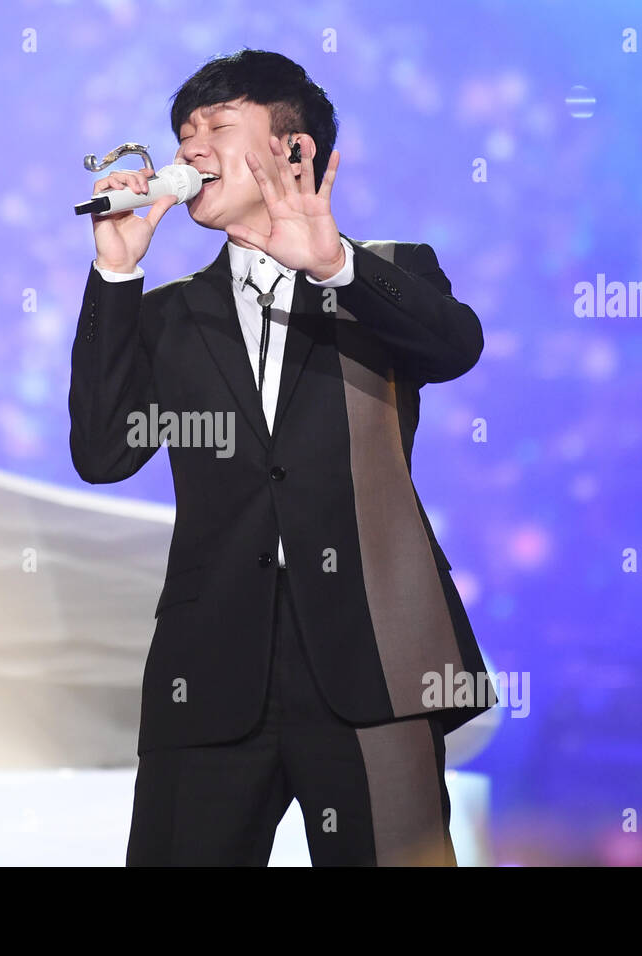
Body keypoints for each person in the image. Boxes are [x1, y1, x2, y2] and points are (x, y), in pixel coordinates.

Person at [69, 49, 497, 866]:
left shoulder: (388, 272)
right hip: (210, 669)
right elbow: (102, 452)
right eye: (184, 133)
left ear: (294, 152)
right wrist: (115, 273)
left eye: (218, 127)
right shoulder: (167, 315)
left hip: (373, 660)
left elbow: (456, 346)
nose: (190, 149)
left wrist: (335, 265)